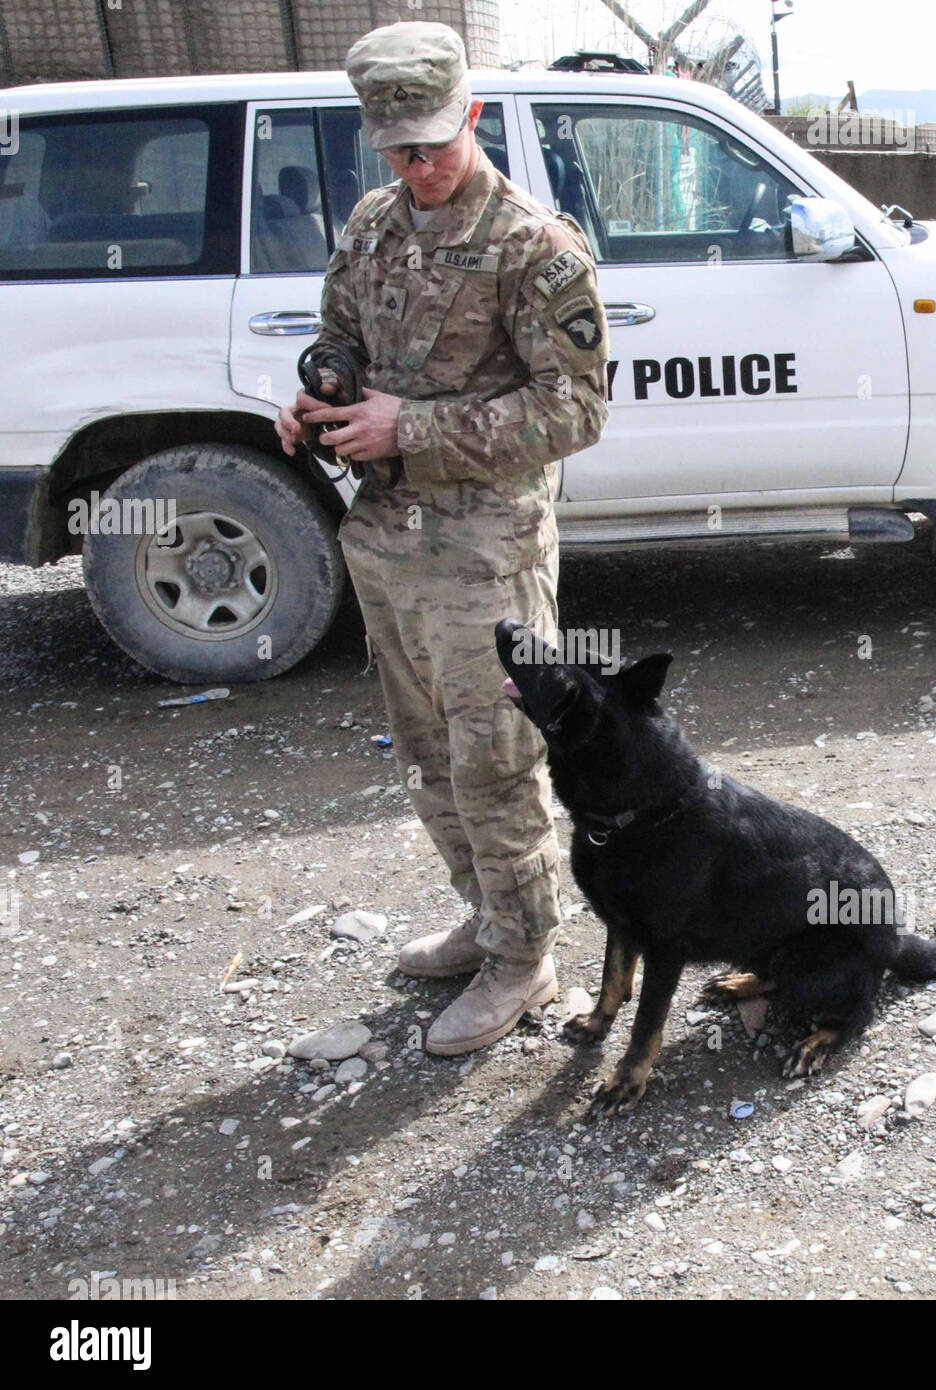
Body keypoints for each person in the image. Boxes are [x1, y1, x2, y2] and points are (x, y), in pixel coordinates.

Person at [276, 20, 608, 1055]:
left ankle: (525, 953)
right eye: (396, 150)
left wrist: (408, 426)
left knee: (495, 758)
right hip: (386, 538)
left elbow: (576, 410)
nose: (417, 167)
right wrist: (317, 397)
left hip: (483, 552)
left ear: (470, 113)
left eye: (431, 144)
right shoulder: (375, 223)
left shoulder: (532, 246)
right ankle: (484, 915)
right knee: (425, 752)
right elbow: (338, 330)